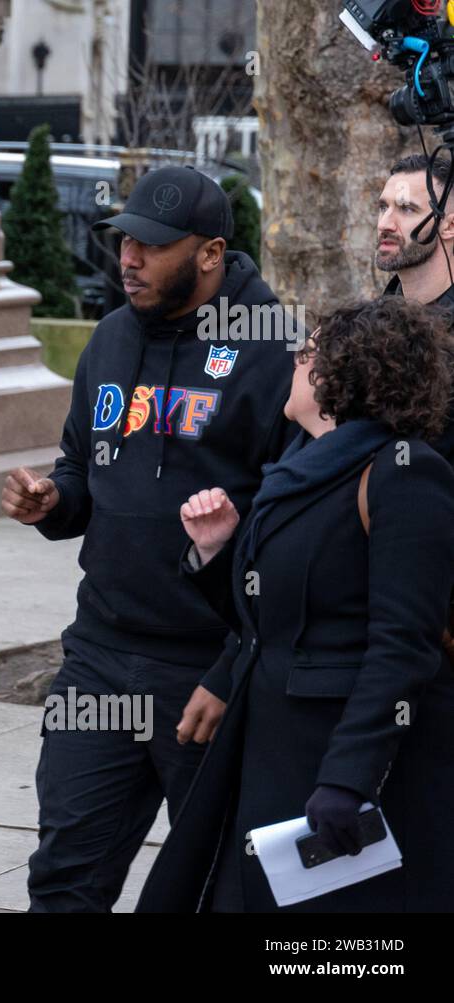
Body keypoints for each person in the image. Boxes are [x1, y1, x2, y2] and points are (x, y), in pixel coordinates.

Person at [1, 165, 297, 912]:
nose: (128, 258)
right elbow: (82, 464)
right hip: (99, 654)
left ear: (210, 253)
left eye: (151, 246)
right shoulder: (108, 340)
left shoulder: (272, 349)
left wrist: (233, 668)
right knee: (65, 871)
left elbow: (291, 525)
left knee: (212, 884)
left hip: (207, 666)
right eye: (124, 241)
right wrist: (54, 499)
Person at [137, 296, 454, 912]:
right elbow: (268, 620)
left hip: (338, 761)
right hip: (269, 747)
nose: (295, 361)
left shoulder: (405, 474)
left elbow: (402, 646)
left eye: (308, 353)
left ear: (347, 376)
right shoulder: (299, 467)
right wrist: (218, 552)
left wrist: (347, 778)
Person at [376, 152, 454, 461]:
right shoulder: (372, 325)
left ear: (449, 226)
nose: (385, 224)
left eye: (406, 209)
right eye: (383, 207)